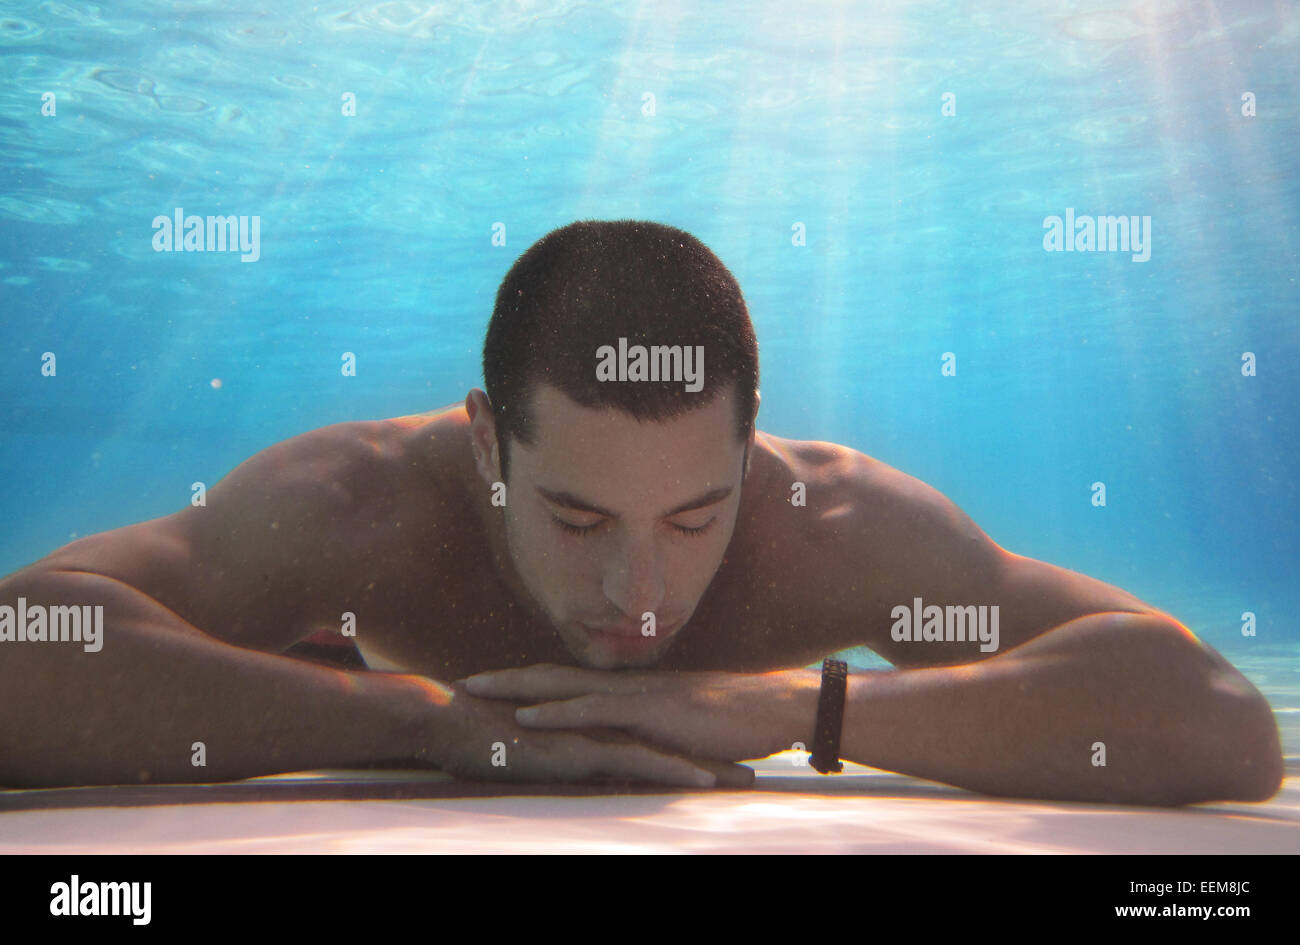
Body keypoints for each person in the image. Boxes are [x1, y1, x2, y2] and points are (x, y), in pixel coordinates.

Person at [0, 220, 1282, 805]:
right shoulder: (356, 506)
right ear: (486, 442)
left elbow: (1215, 719)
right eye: (572, 517)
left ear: (750, 446)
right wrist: (416, 722)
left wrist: (807, 706)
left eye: (692, 518)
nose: (639, 595)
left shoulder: (830, 527)